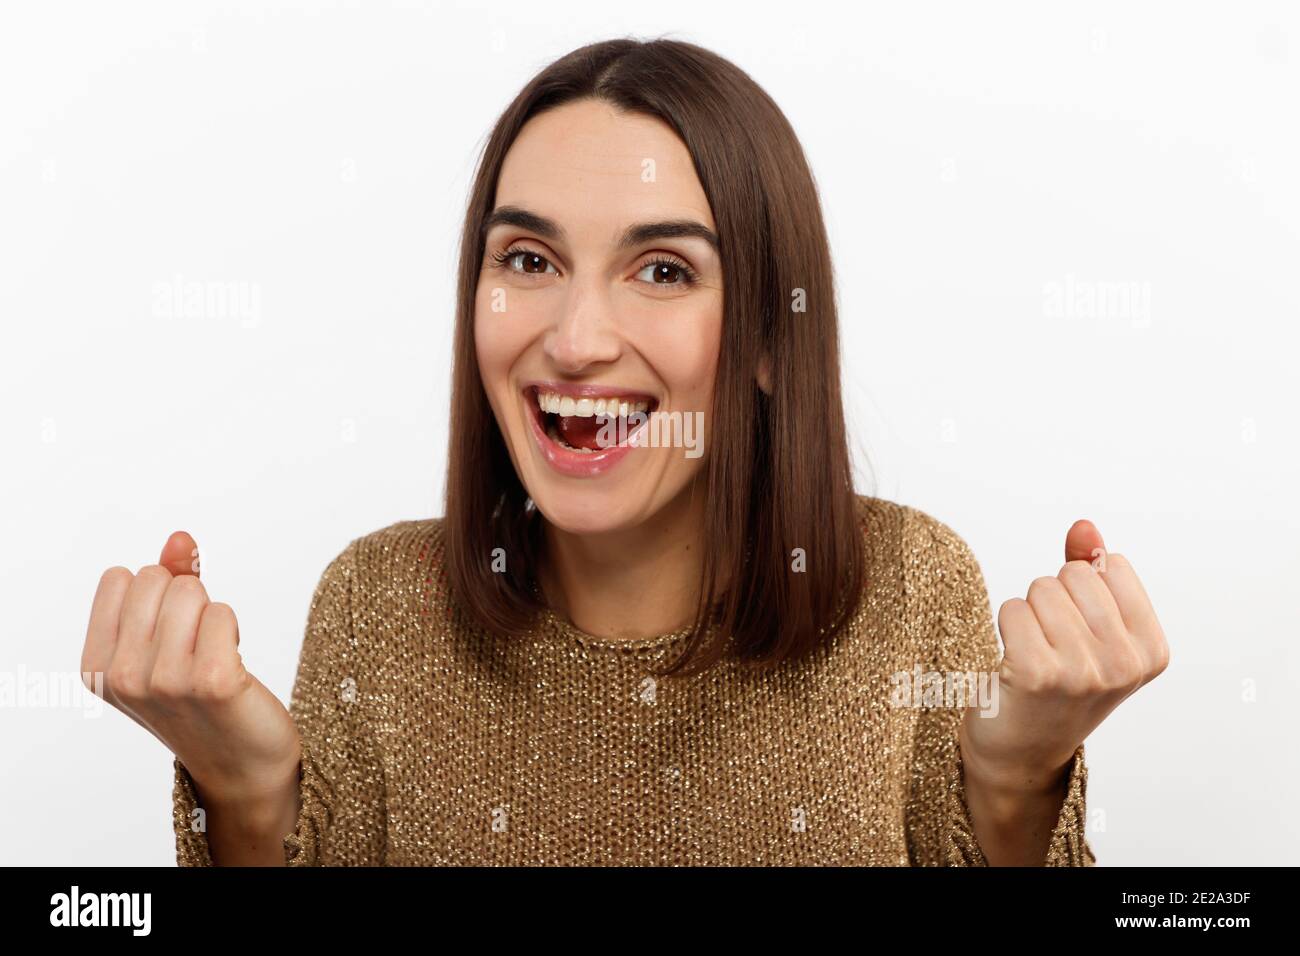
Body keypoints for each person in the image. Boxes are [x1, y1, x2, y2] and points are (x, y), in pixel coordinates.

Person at [80, 37, 1168, 866]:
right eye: (529, 257)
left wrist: (1019, 771)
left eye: (661, 270)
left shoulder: (913, 590)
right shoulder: (376, 606)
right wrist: (245, 790)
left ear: (769, 339)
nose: (576, 339)